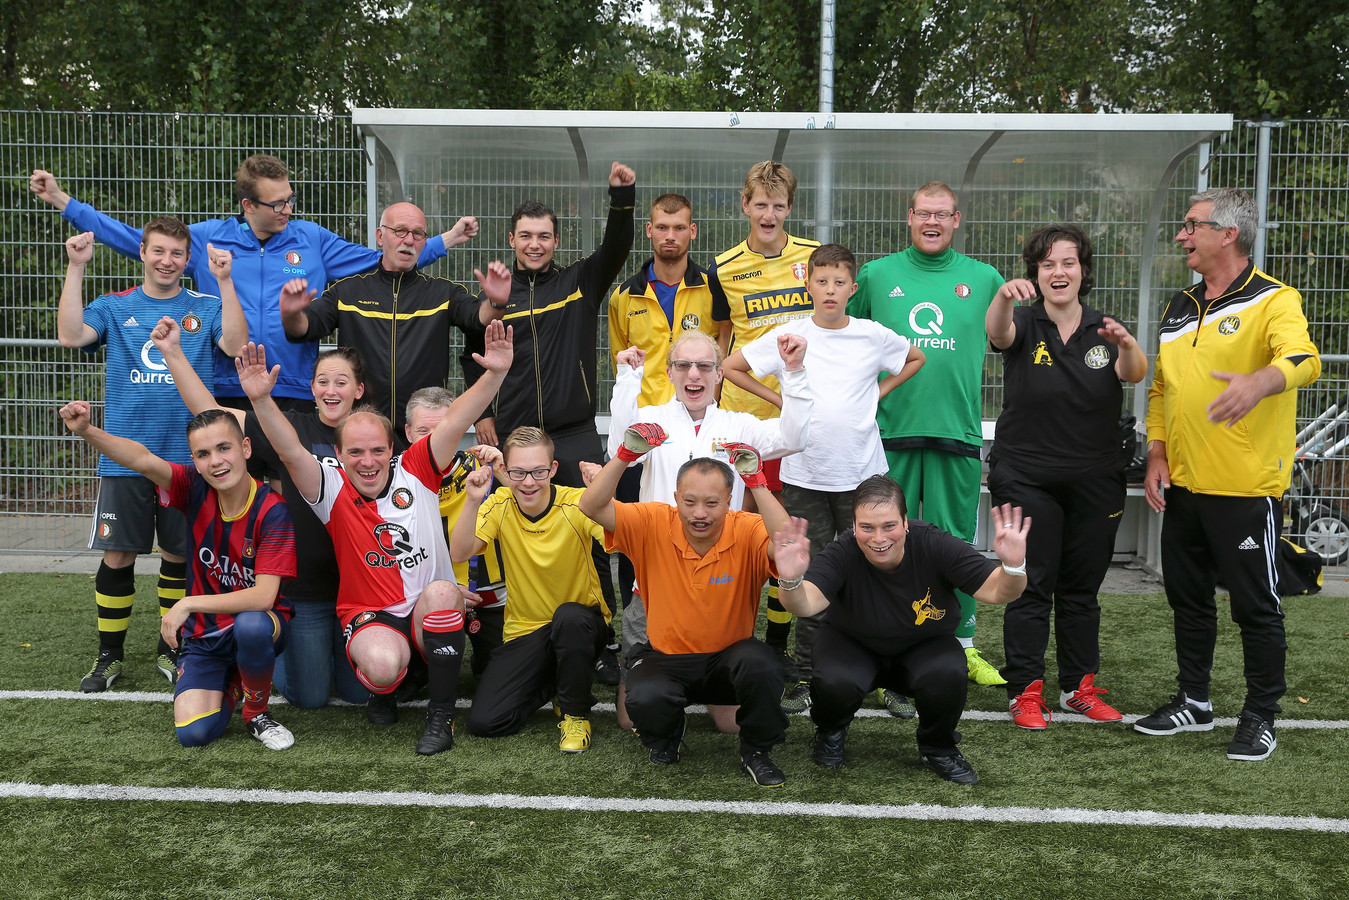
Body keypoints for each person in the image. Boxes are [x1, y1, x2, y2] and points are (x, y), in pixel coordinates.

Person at [242, 319, 515, 756]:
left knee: (444, 591)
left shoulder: (419, 469)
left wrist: (495, 373)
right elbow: (291, 449)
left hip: (427, 604)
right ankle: (384, 691)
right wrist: (260, 399)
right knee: (382, 667)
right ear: (338, 454)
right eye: (355, 452)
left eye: (377, 450)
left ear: (393, 449)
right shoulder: (328, 485)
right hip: (370, 612)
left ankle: (439, 719)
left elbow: (457, 418)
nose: (367, 462)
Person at [32, 156, 473, 409]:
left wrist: (444, 240)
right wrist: (62, 201)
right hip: (223, 387)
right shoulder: (207, 238)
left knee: (286, 505)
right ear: (248, 204)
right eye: (277, 203)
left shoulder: (312, 239)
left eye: (290, 200)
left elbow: (384, 256)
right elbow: (135, 240)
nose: (287, 209)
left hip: (294, 389)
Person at [1137, 188, 1320, 762]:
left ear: (1228, 234)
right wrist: (1158, 452)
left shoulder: (1274, 300)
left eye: (1191, 225)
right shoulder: (1178, 306)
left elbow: (1305, 360)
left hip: (1245, 488)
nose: (1182, 235)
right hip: (1184, 485)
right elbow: (1163, 388)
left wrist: (1258, 382)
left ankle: (1262, 715)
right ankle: (1194, 700)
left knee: (1255, 605)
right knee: (1187, 598)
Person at [724, 242, 925, 714]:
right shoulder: (790, 334)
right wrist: (783, 405)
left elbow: (914, 359)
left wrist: (878, 392)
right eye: (821, 281)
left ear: (852, 289)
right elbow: (733, 367)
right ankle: (809, 677)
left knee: (877, 577)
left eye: (839, 282)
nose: (830, 290)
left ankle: (887, 675)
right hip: (806, 477)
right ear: (809, 285)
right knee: (811, 576)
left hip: (864, 478)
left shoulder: (871, 335)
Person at [464, 161, 636, 677]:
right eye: (526, 236)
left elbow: (616, 248)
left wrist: (621, 198)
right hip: (518, 440)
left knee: (594, 529)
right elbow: (472, 358)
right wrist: (488, 416)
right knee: (513, 532)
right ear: (511, 239)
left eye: (544, 236)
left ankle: (604, 639)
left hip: (576, 432)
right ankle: (516, 633)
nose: (535, 244)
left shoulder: (581, 281)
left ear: (556, 240)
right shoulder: (496, 297)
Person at [57, 223, 246, 692]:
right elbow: (70, 336)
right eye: (158, 251)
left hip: (190, 459)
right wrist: (76, 266)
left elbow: (237, 346)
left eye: (177, 253)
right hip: (126, 457)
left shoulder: (204, 307)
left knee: (181, 553)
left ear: (188, 260)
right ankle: (108, 656)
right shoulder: (115, 306)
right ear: (142, 252)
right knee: (119, 554)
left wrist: (225, 282)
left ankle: (173, 647)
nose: (167, 260)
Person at [150, 317, 369, 709]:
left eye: (341, 382)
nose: (331, 390)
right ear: (312, 387)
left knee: (359, 694)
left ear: (359, 390)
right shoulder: (288, 428)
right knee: (311, 697)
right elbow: (211, 413)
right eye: (322, 381)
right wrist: (172, 353)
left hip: (361, 590)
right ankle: (255, 656)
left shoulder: (374, 438)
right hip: (307, 592)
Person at [59, 403, 297, 751]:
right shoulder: (193, 488)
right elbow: (141, 460)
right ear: (194, 461)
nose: (215, 461)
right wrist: (85, 430)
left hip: (261, 626)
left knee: (251, 625)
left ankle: (257, 714)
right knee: (194, 734)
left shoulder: (273, 510)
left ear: (245, 448)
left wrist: (186, 603)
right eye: (203, 454)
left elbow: (263, 598)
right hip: (205, 638)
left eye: (223, 448)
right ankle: (234, 682)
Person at [607, 329, 814, 729]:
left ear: (720, 374)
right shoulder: (652, 420)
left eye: (704, 365)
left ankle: (709, 685)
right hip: (658, 574)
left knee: (731, 723)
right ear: (668, 373)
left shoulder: (740, 424)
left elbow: (795, 437)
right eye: (683, 365)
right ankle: (661, 691)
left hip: (721, 575)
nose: (693, 374)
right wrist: (627, 378)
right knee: (632, 720)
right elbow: (621, 449)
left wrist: (794, 371)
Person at [985, 224, 1148, 729]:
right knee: (1032, 584)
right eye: (1048, 264)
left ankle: (1079, 688)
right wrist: (1002, 296)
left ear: (1083, 271)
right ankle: (1025, 692)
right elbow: (997, 332)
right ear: (1036, 271)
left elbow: (1135, 372)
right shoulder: (1023, 320)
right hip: (1027, 476)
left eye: (1068, 263)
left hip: (1096, 478)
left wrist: (1125, 344)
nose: (1059, 272)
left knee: (1081, 589)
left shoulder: (1106, 327)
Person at [849, 181, 1007, 689]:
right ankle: (881, 641)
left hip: (956, 434)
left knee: (956, 546)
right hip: (887, 434)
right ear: (910, 217)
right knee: (881, 542)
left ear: (957, 220)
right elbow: (847, 341)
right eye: (923, 214)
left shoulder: (985, 280)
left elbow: (1009, 341)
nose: (932, 222)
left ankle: (962, 646)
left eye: (942, 214)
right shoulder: (877, 276)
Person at [772, 475, 1030, 785]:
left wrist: (1014, 567)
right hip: (853, 644)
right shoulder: (842, 550)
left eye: (888, 526)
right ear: (853, 526)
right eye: (867, 527)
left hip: (923, 644)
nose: (878, 538)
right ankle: (830, 730)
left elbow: (998, 592)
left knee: (949, 670)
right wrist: (788, 579)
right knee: (833, 679)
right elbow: (805, 604)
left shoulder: (935, 543)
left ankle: (938, 747)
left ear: (906, 522)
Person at [579, 437, 796, 787]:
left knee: (762, 664)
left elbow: (785, 541)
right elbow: (590, 505)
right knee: (640, 704)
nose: (700, 513)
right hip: (667, 657)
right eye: (690, 501)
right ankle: (668, 734)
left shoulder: (747, 527)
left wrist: (757, 481)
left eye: (712, 503)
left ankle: (757, 751)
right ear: (676, 498)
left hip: (728, 660)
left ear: (729, 501)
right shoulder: (652, 520)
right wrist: (624, 455)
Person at [707, 160, 820, 668]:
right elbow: (723, 335)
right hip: (742, 423)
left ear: (789, 208)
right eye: (760, 204)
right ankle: (725, 639)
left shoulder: (814, 259)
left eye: (778, 205)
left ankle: (777, 649)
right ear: (745, 204)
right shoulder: (722, 266)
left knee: (784, 537)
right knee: (734, 537)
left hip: (797, 425)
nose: (768, 213)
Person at [279, 202, 512, 437]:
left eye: (418, 234)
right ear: (380, 236)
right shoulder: (347, 292)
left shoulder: (443, 293)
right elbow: (304, 329)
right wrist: (290, 314)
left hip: (422, 433)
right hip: (363, 431)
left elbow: (477, 318)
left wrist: (496, 302)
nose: (409, 240)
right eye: (400, 231)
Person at [451, 428, 611, 753]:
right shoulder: (499, 504)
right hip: (526, 630)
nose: (528, 482)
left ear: (552, 469)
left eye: (538, 472)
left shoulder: (576, 502)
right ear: (506, 471)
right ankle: (554, 681)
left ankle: (575, 712)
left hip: (581, 625)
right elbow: (460, 552)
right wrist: (471, 500)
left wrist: (603, 495)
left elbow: (621, 536)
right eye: (518, 472)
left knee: (569, 617)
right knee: (486, 722)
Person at [606, 192, 718, 630]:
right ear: (649, 231)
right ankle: (640, 622)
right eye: (661, 227)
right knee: (638, 531)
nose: (670, 236)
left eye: (679, 228)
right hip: (642, 431)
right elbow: (622, 363)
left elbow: (718, 352)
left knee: (700, 518)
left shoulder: (712, 289)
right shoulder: (623, 296)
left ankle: (704, 617)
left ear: (692, 232)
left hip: (694, 427)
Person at [403, 387, 509, 678]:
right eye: (423, 430)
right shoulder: (392, 475)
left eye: (441, 430)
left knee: (499, 676)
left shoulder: (483, 465)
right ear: (408, 432)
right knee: (407, 682)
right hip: (420, 596)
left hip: (483, 592)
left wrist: (501, 471)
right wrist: (446, 591)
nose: (432, 440)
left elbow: (532, 506)